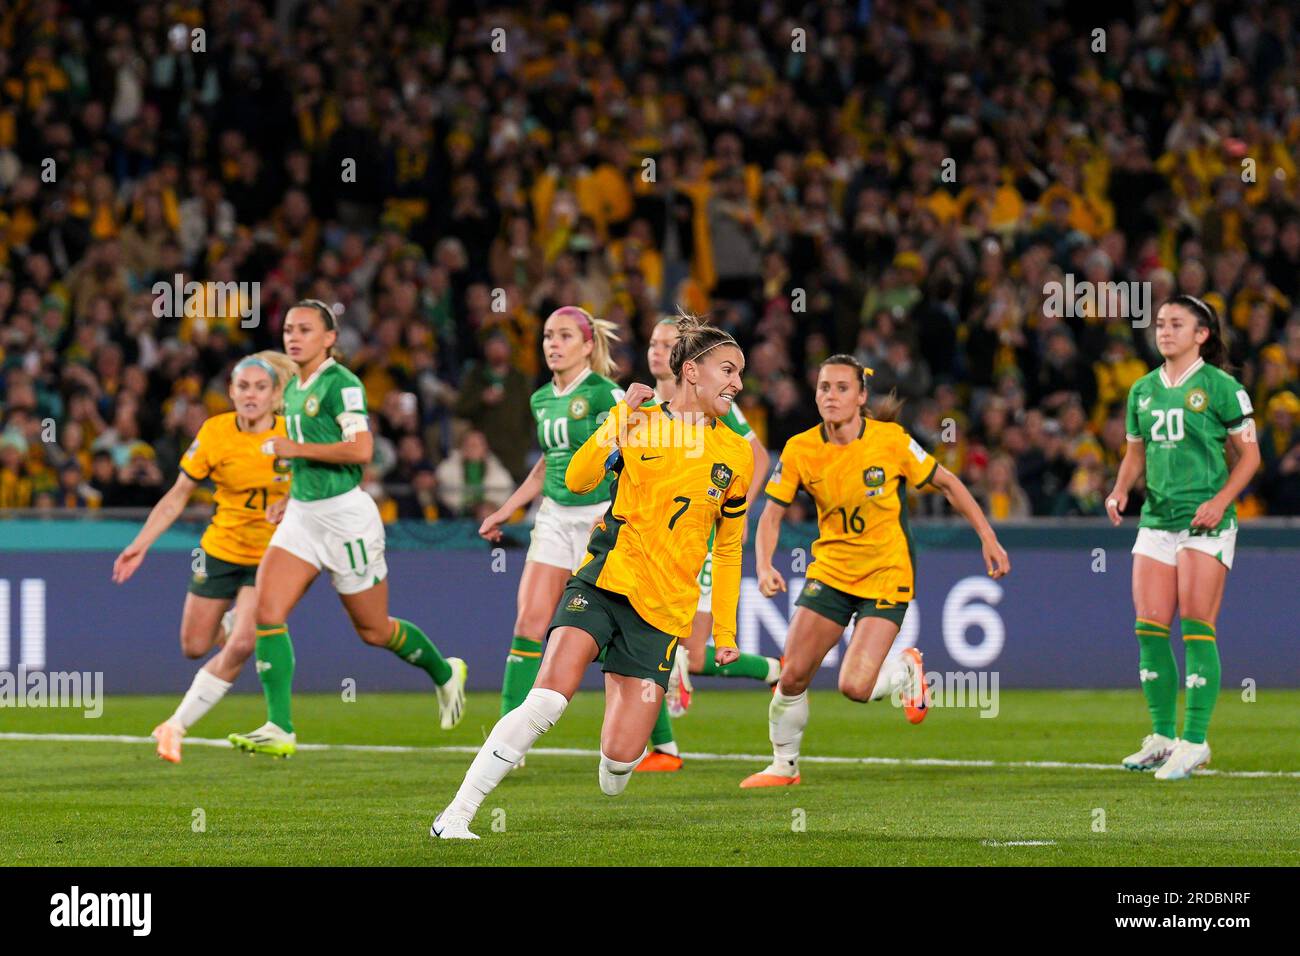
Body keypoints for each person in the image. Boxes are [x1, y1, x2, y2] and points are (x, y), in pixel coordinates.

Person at [432, 317, 754, 839]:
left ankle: (619, 698)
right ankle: (456, 815)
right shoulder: (640, 420)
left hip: (665, 609)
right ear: (692, 372)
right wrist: (617, 419)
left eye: (740, 372)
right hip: (606, 580)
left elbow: (730, 545)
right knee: (547, 699)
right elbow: (579, 481)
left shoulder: (736, 453)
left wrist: (724, 633)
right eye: (728, 370)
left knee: (618, 766)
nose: (738, 382)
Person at [742, 354, 1011, 788]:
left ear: (861, 396)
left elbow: (947, 482)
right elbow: (771, 515)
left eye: (842, 388)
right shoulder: (800, 449)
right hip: (830, 570)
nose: (831, 396)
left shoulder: (891, 441)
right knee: (792, 674)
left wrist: (987, 536)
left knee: (854, 686)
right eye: (824, 387)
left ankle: (906, 668)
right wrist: (763, 564)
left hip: (887, 572)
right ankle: (783, 766)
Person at [228, 300, 466, 757]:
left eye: (305, 329)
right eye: (288, 329)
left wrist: (294, 449)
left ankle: (444, 671)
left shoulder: (343, 384)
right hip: (303, 515)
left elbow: (360, 451)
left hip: (345, 519)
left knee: (374, 631)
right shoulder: (293, 386)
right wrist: (289, 493)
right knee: (267, 610)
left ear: (330, 338)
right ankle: (280, 726)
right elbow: (310, 455)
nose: (293, 337)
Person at [112, 351, 296, 763]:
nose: (251, 395)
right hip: (219, 550)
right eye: (243, 387)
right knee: (194, 645)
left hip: (269, 556)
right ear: (231, 392)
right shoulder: (215, 433)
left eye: (260, 387)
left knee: (244, 643)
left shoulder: (293, 435)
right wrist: (141, 543)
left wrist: (291, 500)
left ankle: (175, 724)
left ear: (274, 395)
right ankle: (230, 621)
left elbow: (319, 486)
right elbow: (178, 495)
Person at [1106, 295, 1260, 780]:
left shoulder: (1223, 388)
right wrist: (1118, 489)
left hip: (1206, 523)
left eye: (1176, 324)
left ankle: (1194, 741)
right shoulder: (1142, 391)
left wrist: (1220, 502)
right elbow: (1136, 454)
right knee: (1149, 628)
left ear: (1202, 334)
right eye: (1160, 323)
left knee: (1196, 625)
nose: (1164, 331)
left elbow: (1251, 458)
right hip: (1157, 519)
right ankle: (1162, 737)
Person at [638, 314, 780, 773]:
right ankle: (663, 746)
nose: (658, 351)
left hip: (699, 537)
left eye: (668, 344)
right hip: (655, 540)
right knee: (650, 642)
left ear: (688, 360)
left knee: (691, 655)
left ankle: (772, 671)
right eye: (653, 344)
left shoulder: (712, 401)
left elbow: (756, 456)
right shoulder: (646, 408)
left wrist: (727, 513)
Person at [477, 306, 624, 723]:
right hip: (555, 517)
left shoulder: (603, 394)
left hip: (601, 517)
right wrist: (506, 509)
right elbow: (548, 462)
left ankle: (658, 741)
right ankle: (507, 732)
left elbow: (633, 451)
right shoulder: (540, 398)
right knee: (529, 621)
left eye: (564, 337)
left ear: (588, 345)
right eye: (547, 337)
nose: (553, 345)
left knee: (617, 633)